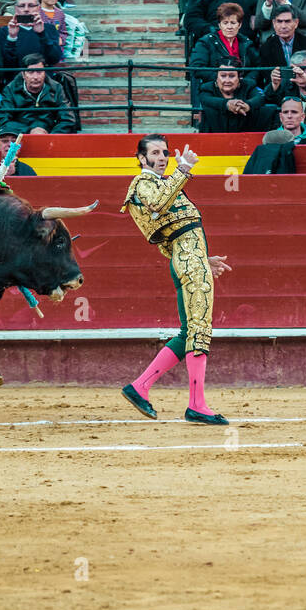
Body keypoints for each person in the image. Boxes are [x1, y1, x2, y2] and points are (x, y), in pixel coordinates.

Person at [119, 134, 232, 425]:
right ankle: (197, 404)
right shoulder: (144, 184)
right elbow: (158, 204)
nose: (162, 157)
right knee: (199, 331)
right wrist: (182, 170)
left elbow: (170, 234)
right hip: (188, 262)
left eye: (165, 152)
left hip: (190, 259)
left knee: (189, 332)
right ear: (142, 159)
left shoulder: (165, 184)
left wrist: (203, 259)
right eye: (155, 152)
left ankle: (140, 387)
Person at [0, 53, 75, 134]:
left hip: (50, 136)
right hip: (21, 138)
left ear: (45, 73)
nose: (35, 77)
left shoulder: (56, 88)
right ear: (23, 74)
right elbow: (3, 120)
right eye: (31, 72)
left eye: (39, 72)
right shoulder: (11, 89)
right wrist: (29, 131)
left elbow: (68, 119)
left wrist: (52, 137)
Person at [256, 2, 306, 82]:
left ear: (296, 23)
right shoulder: (266, 48)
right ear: (274, 23)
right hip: (279, 91)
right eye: (279, 21)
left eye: (287, 21)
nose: (283, 26)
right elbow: (266, 77)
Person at [1, 0, 61, 67]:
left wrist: (42, 34)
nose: (26, 9)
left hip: (43, 76)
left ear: (39, 8)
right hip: (17, 76)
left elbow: (54, 59)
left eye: (31, 5)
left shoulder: (50, 29)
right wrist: (12, 38)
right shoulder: (5, 31)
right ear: (15, 8)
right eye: (22, 6)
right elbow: (7, 63)